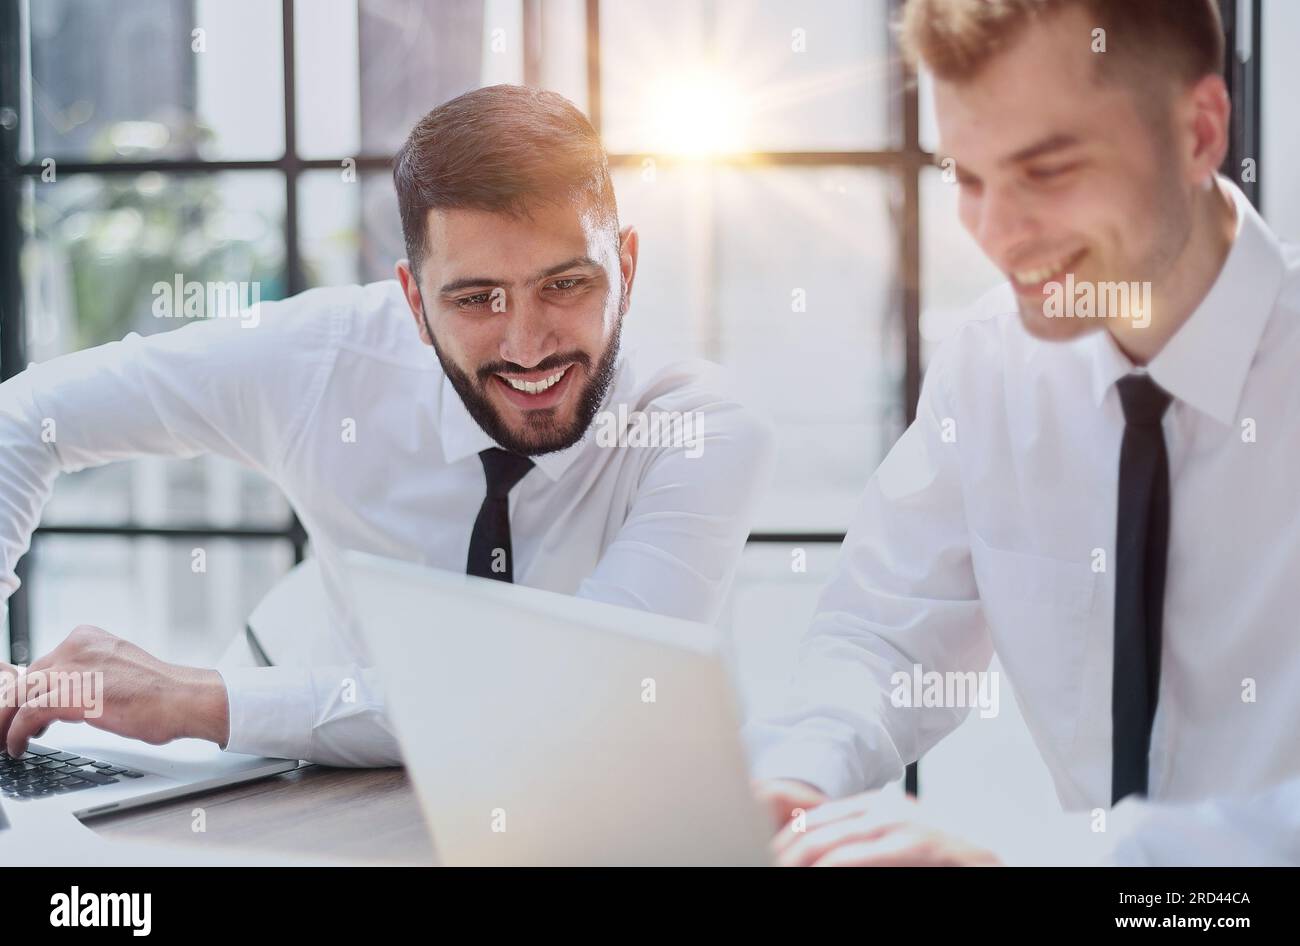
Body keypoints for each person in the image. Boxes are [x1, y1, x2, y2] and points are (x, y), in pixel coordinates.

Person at [0, 85, 773, 766]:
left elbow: (570, 702)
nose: (527, 344)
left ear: (627, 268)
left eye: (565, 284)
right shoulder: (320, 360)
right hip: (350, 811)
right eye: (475, 300)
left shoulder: (698, 426)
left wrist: (196, 699)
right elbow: (28, 416)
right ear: (413, 300)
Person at [748, 0, 1300, 865]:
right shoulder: (993, 361)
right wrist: (795, 781)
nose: (996, 235)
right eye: (967, 177)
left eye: (1046, 172)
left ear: (1198, 132)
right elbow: (883, 634)